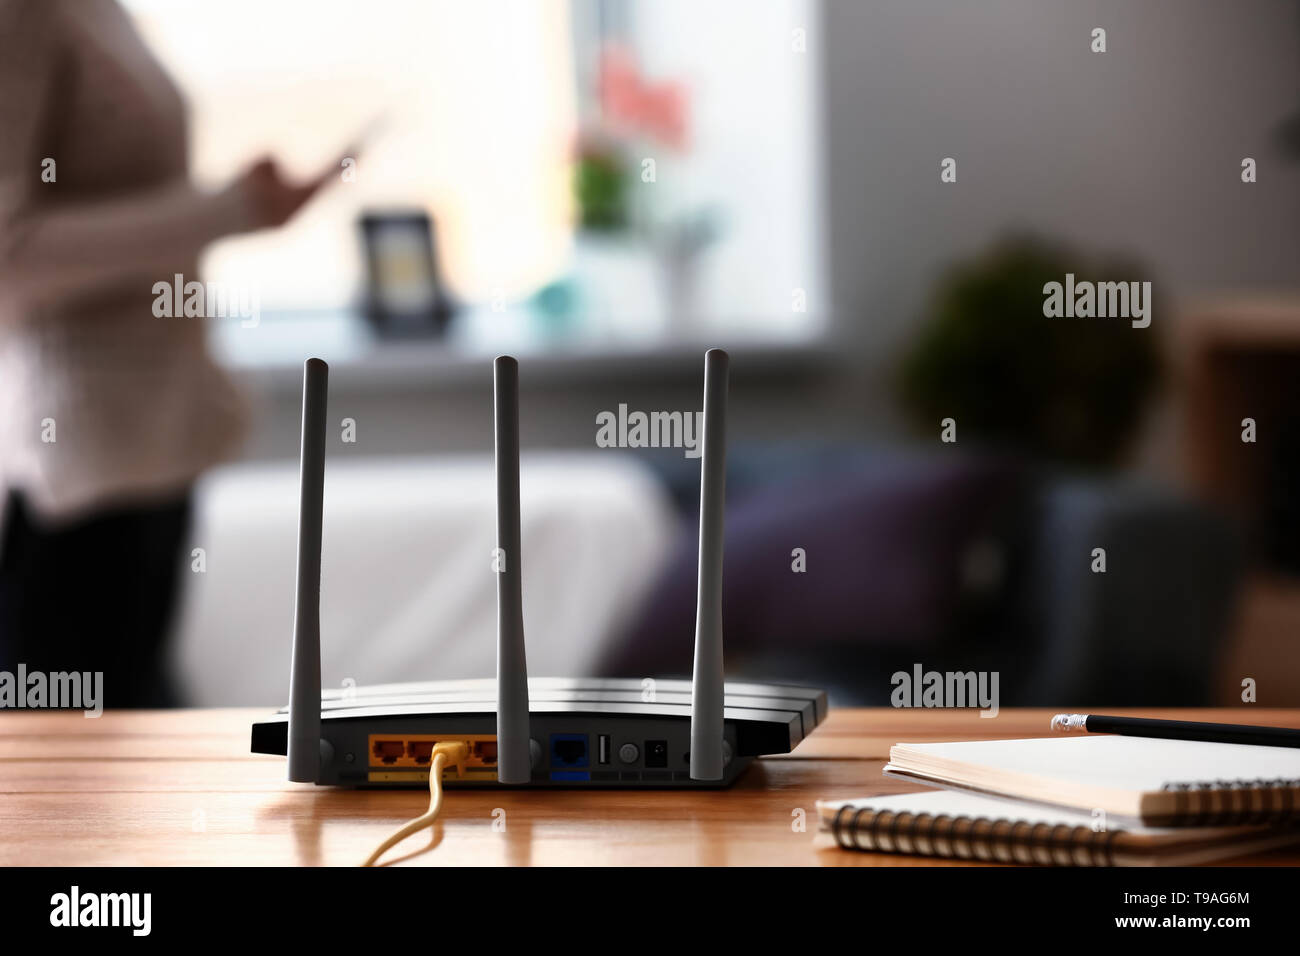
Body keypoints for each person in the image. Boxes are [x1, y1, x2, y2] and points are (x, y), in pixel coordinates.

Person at [0, 0, 333, 705]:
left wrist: (243, 207)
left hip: (158, 439)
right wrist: (229, 210)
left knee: (134, 731)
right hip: (87, 460)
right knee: (76, 757)